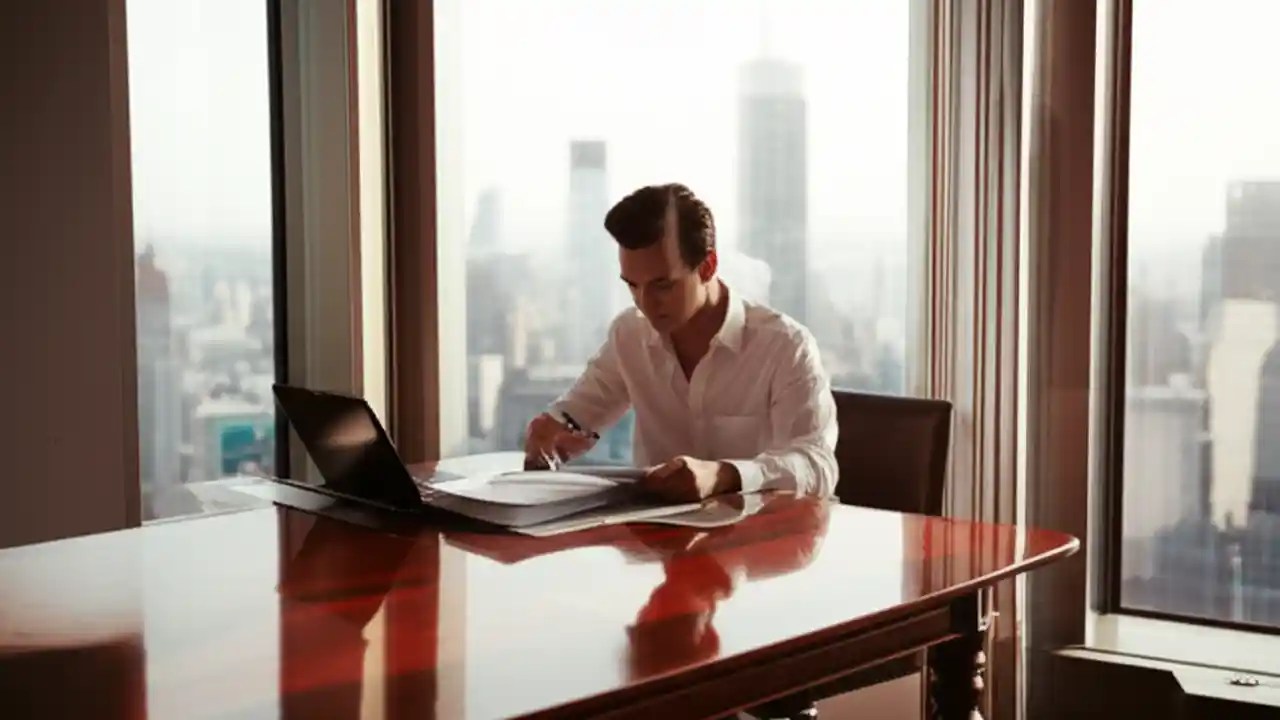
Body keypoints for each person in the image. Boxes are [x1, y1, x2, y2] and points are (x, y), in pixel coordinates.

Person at [523, 183, 838, 502]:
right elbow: (578, 411)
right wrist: (554, 427)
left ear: (708, 266)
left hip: (761, 542)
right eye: (633, 285)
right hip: (657, 542)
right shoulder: (629, 334)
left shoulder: (785, 346)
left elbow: (818, 466)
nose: (645, 302)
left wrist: (724, 475)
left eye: (663, 285)